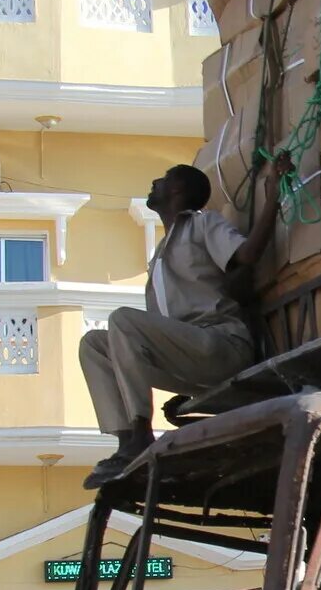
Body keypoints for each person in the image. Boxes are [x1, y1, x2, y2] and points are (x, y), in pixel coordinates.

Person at [81, 159, 286, 489]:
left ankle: (140, 431)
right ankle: (125, 443)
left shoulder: (202, 224)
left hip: (220, 345)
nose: (154, 183)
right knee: (93, 343)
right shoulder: (160, 252)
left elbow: (246, 254)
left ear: (176, 190)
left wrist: (273, 197)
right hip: (187, 361)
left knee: (122, 318)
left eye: (161, 180)